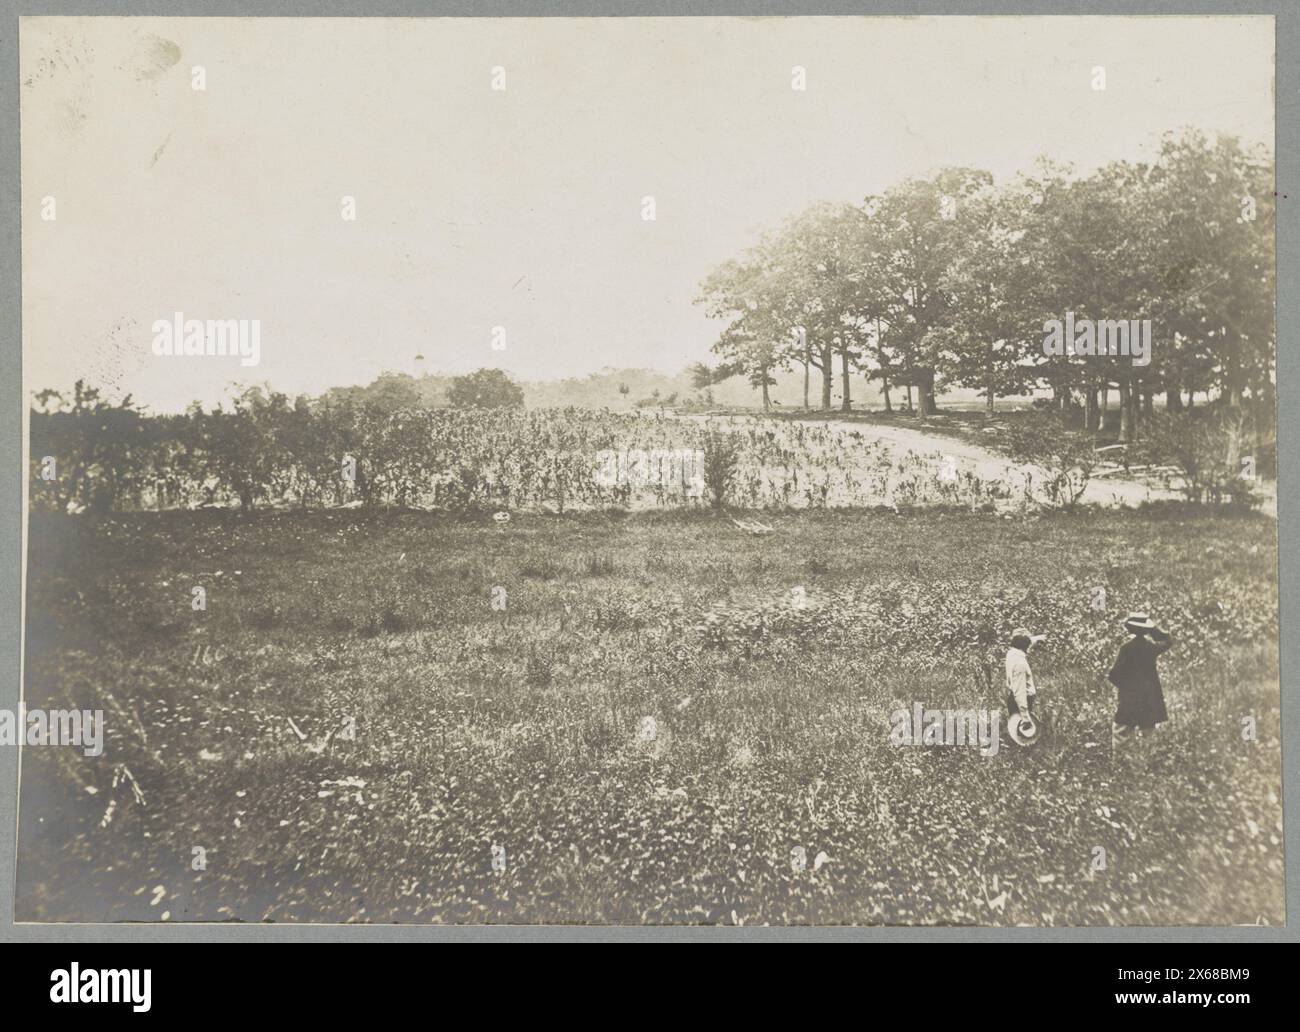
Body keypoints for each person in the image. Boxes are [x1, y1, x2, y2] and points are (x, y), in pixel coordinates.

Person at [1107, 611, 1172, 751]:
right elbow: (1167, 640)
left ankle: (1121, 765)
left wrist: (1126, 688)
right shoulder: (1151, 648)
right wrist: (1153, 629)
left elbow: (1113, 675)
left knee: (1121, 733)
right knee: (1149, 734)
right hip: (1149, 698)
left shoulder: (1126, 648)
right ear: (1146, 629)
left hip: (1129, 698)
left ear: (1129, 628)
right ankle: (1147, 766)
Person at [1005, 627, 1045, 746]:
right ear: (1024, 645)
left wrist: (1037, 638)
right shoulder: (1020, 663)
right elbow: (1019, 693)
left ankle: (1018, 749)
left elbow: (1023, 642)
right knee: (1023, 735)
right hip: (1021, 701)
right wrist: (1026, 718)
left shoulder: (1012, 653)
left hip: (1014, 699)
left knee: (1017, 732)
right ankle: (1022, 751)